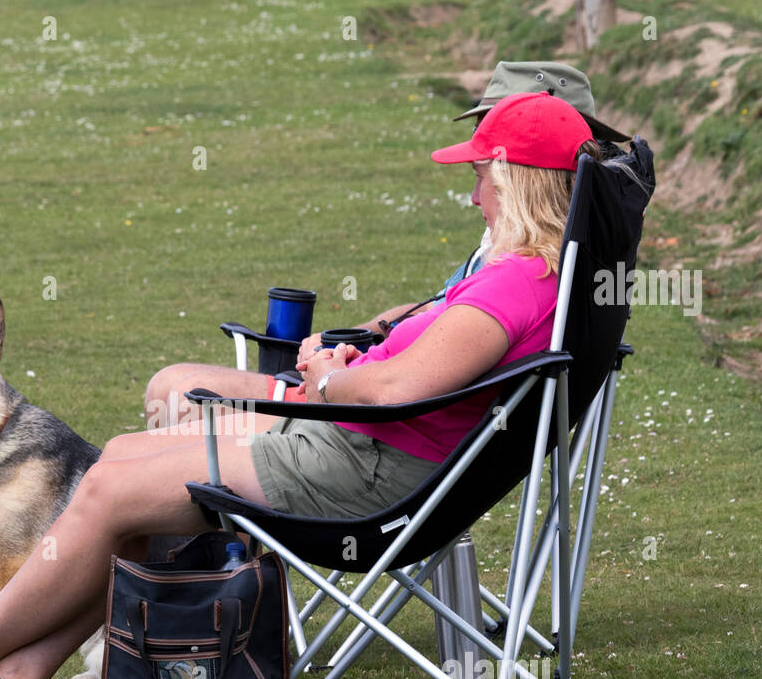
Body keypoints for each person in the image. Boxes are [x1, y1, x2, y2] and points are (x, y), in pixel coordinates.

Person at [0, 92, 602, 679]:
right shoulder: (525, 278)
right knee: (121, 461)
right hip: (362, 446)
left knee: (109, 494)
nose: (473, 197)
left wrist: (332, 375)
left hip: (367, 468)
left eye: (480, 177)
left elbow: (391, 391)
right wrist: (345, 362)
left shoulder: (511, 288)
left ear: (516, 181)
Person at [143, 61, 631, 427]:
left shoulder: (524, 273)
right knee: (168, 398)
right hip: (370, 399)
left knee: (174, 405)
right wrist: (346, 343)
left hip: (373, 424)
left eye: (499, 124)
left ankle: (232, 559)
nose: (483, 137)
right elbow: (436, 313)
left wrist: (334, 377)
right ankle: (226, 557)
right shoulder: (537, 252)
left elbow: (413, 378)